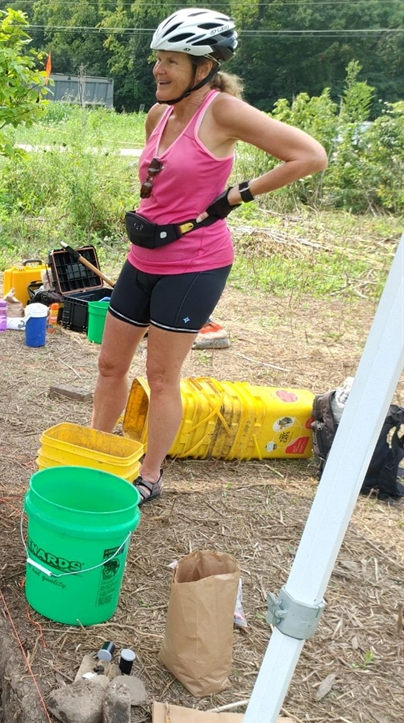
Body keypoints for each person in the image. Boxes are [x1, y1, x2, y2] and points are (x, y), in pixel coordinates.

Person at [91, 8, 327, 503]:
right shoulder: (158, 114)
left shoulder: (221, 112)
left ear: (203, 68)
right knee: (111, 365)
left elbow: (310, 155)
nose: (158, 70)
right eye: (157, 59)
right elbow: (161, 184)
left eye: (171, 62)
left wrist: (235, 196)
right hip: (144, 257)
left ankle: (150, 476)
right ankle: (98, 451)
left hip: (195, 265)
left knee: (160, 375)